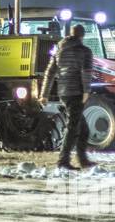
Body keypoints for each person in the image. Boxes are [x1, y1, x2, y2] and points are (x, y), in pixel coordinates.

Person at [41, 23, 96, 170]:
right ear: (82, 36)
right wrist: (86, 92)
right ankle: (63, 161)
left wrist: (44, 94)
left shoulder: (60, 50)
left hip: (63, 92)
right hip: (77, 92)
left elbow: (50, 72)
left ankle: (82, 159)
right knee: (73, 128)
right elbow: (86, 73)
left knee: (83, 129)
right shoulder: (85, 51)